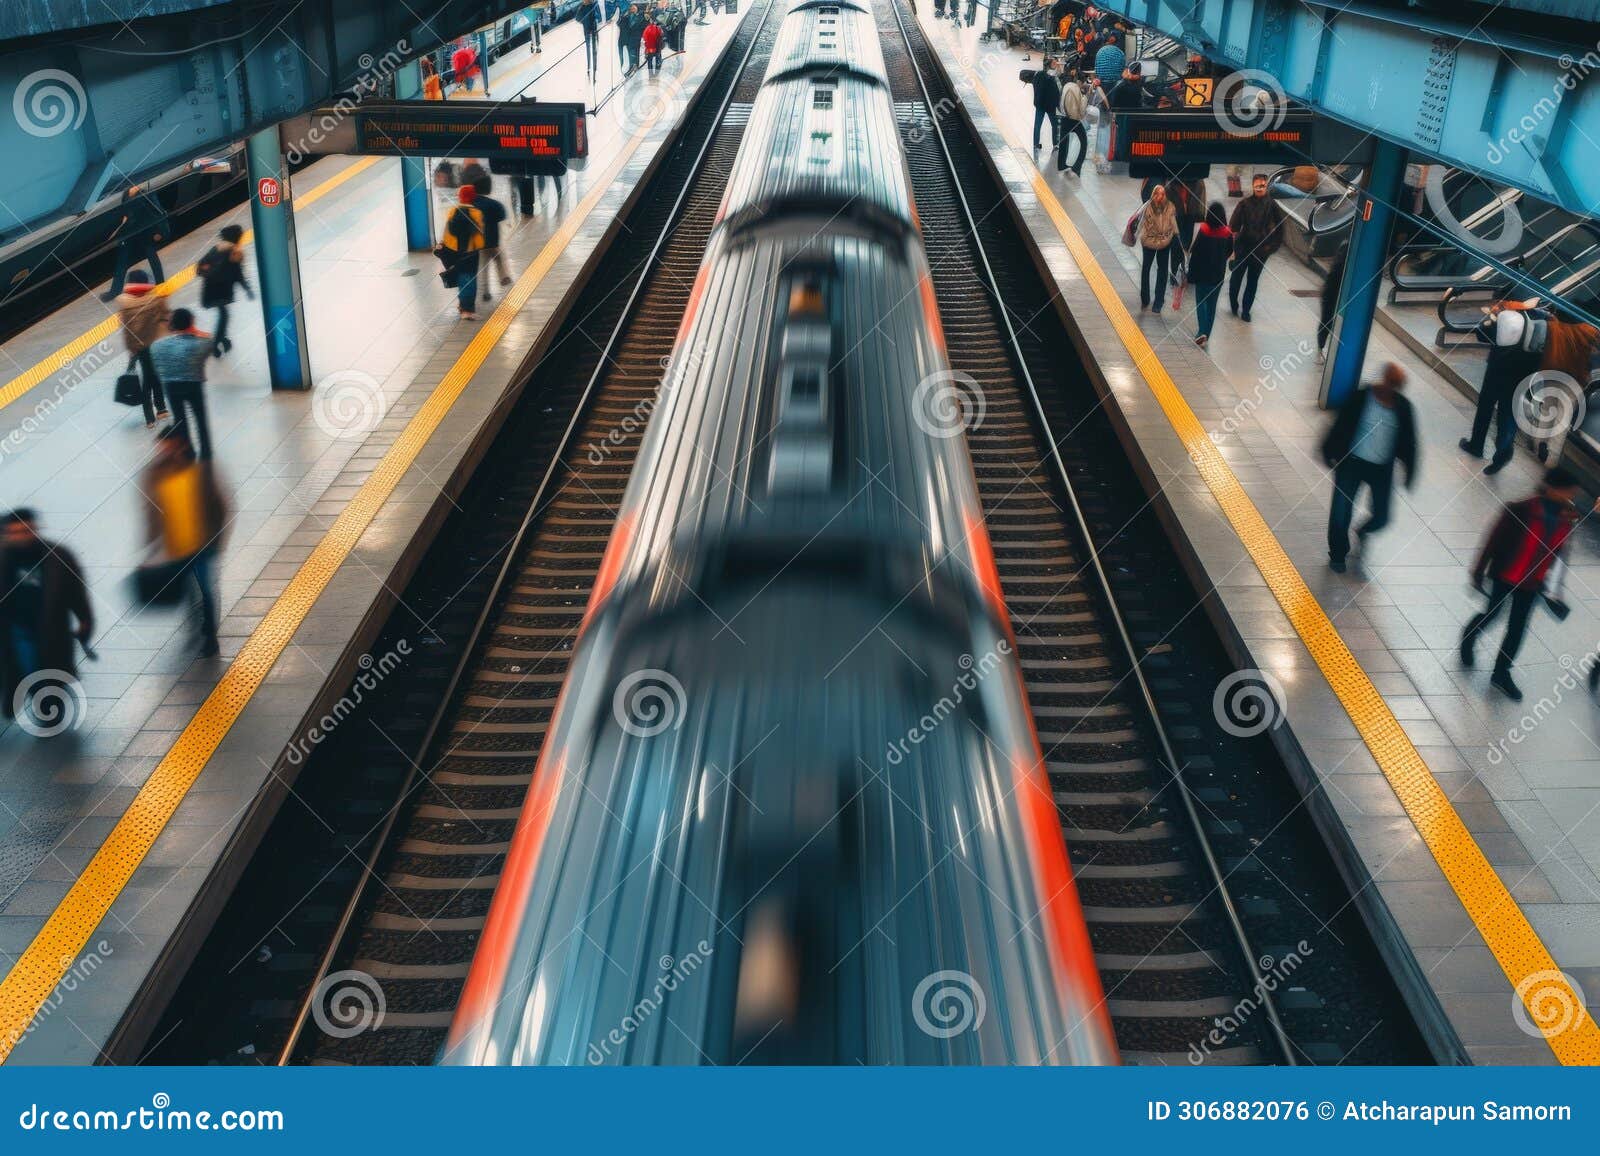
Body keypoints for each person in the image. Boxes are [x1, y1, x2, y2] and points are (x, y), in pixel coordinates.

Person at [1460, 467, 1593, 701]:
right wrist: (1479, 572)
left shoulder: (1567, 517)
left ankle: (1501, 673)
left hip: (1532, 582)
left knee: (1517, 628)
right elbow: (1492, 541)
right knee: (1492, 614)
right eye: (1568, 491)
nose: (1571, 497)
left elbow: (1560, 554)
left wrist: (1554, 589)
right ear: (1552, 488)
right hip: (1505, 574)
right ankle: (1468, 639)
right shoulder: (1520, 509)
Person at [1321, 363, 1417, 574]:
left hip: (1381, 469)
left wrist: (1410, 470)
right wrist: (1328, 450)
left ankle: (1363, 530)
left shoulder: (1403, 408)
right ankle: (1338, 554)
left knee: (1382, 516)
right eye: (1390, 383)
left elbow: (1409, 442)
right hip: (1352, 463)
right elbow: (1340, 424)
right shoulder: (1360, 398)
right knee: (1340, 512)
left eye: (1396, 386)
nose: (1391, 389)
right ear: (1384, 380)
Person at [0, 510, 93, 726]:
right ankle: (35, 696)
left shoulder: (58, 556)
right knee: (27, 664)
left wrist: (85, 620)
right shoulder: (3, 558)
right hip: (17, 626)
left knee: (49, 665)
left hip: (50, 625)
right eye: (15, 533)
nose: (21, 537)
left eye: (26, 531)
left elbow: (77, 592)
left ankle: (49, 704)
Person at [142, 428, 228, 658]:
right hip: (175, 548)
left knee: (206, 590)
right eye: (161, 447)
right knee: (189, 589)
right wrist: (152, 547)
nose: (163, 451)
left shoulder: (199, 471)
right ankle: (196, 622)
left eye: (168, 446)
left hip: (202, 546)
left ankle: (209, 636)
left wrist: (215, 540)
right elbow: (150, 511)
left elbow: (220, 505)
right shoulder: (154, 474)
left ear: (180, 444)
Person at [1459, 303, 1544, 475]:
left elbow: (1481, 334)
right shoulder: (1540, 319)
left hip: (1498, 369)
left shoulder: (1505, 318)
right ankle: (1503, 451)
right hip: (1522, 374)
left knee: (1485, 407)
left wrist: (1491, 317)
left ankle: (1476, 445)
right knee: (1508, 413)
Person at [151, 309, 216, 460]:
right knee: (200, 418)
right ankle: (206, 451)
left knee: (180, 419)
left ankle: (188, 451)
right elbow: (210, 342)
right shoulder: (200, 344)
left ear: (173, 324)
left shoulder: (157, 346)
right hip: (193, 385)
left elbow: (158, 365)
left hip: (170, 386)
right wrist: (195, 332)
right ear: (191, 323)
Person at [115, 269, 171, 427]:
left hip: (139, 347)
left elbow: (127, 330)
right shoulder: (156, 299)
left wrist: (131, 349)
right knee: (154, 376)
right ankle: (160, 409)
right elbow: (166, 317)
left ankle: (150, 416)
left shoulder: (124, 304)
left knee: (148, 377)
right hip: (155, 343)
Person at [1227, 174, 1284, 322]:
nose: (1260, 188)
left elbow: (1281, 229)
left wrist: (1270, 248)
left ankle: (1246, 310)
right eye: (1257, 185)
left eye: (1262, 185)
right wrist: (1233, 249)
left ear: (1266, 186)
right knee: (1236, 279)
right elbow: (1233, 226)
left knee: (1252, 281)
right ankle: (1233, 304)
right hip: (1243, 247)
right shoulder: (1244, 204)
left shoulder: (1272, 206)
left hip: (1261, 250)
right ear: (1253, 186)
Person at [101, 185, 170, 301]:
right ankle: (115, 291)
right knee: (122, 261)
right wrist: (118, 231)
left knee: (152, 257)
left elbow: (157, 211)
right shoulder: (126, 196)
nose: (136, 186)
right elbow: (125, 216)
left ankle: (161, 284)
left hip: (145, 231)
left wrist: (159, 231)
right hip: (129, 233)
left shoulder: (147, 194)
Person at [196, 224, 253, 358]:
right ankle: (216, 344)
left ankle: (223, 340)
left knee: (223, 314)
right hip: (221, 290)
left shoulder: (215, 248)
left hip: (209, 289)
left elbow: (201, 265)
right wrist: (248, 289)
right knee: (224, 316)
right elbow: (238, 274)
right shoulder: (235, 252)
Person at [1186, 202, 1232, 349]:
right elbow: (1229, 251)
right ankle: (1206, 334)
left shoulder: (1204, 230)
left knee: (1201, 303)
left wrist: (1190, 273)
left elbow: (1195, 251)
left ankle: (1201, 332)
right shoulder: (1227, 233)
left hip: (1202, 274)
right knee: (1212, 306)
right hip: (1217, 275)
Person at [443, 184, 486, 320]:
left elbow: (447, 232)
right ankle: (467, 311)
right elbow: (479, 235)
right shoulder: (476, 213)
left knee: (461, 276)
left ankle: (462, 305)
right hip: (470, 252)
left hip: (454, 250)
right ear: (473, 197)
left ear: (460, 197)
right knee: (469, 278)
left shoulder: (452, 211)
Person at [1136, 183, 1180, 316]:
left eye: (1162, 194)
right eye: (1157, 193)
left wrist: (1176, 236)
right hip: (1149, 241)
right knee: (1146, 268)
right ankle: (1145, 297)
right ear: (1153, 194)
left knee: (1162, 270)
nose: (1160, 196)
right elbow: (1141, 223)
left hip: (1165, 241)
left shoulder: (1170, 207)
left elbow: (1173, 223)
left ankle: (1158, 301)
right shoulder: (1147, 206)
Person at [471, 176, 511, 304]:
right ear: (488, 189)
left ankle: (485, 292)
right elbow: (502, 216)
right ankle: (503, 276)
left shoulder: (471, 205)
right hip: (493, 241)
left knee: (483, 267)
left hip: (478, 243)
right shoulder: (495, 204)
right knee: (499, 258)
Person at [1057, 71, 1089, 176]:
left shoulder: (1067, 85)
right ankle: (1077, 167)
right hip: (1074, 120)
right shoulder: (1076, 89)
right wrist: (1085, 97)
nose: (1083, 85)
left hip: (1064, 117)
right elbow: (1082, 110)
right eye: (1083, 83)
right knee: (1084, 142)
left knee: (1063, 142)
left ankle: (1061, 164)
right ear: (1079, 81)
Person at [1027, 58, 1061, 153]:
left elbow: (1035, 88)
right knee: (1054, 125)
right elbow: (1056, 93)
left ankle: (1036, 144)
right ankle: (1055, 145)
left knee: (1037, 125)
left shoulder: (1038, 75)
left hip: (1040, 104)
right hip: (1050, 106)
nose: (1056, 64)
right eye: (1054, 63)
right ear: (1050, 65)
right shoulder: (1052, 78)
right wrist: (1057, 104)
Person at [1318, 247, 1346, 362]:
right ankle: (1321, 348)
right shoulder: (1341, 265)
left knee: (1327, 321)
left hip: (1332, 294)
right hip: (1332, 294)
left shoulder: (1342, 256)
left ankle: (1321, 348)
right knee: (1327, 321)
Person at [579, 0, 603, 76]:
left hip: (593, 31)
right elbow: (578, 19)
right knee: (589, 50)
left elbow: (599, 18)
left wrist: (595, 20)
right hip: (588, 31)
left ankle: (594, 68)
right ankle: (590, 67)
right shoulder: (582, 7)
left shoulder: (594, 5)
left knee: (594, 50)